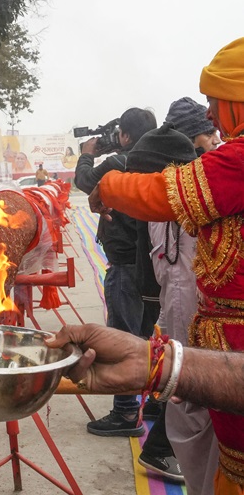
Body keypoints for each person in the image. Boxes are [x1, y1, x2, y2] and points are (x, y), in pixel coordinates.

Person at [90, 36, 244, 495]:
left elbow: (159, 194)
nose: (212, 116)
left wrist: (108, 185)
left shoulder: (237, 160)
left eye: (217, 102)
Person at [128, 125, 218, 495]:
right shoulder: (160, 213)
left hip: (199, 318)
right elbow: (161, 268)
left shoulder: (196, 205)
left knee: (196, 399)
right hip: (176, 312)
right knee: (184, 397)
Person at [75, 107, 157, 437]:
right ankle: (153, 399)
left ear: (124, 136)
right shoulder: (158, 162)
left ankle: (125, 412)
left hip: (125, 264)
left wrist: (87, 154)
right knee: (148, 336)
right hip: (154, 265)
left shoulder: (119, 163)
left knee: (122, 338)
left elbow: (85, 181)